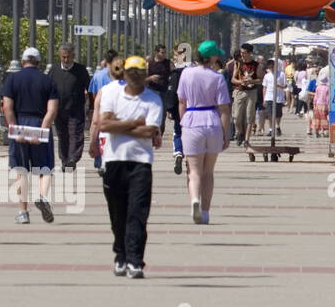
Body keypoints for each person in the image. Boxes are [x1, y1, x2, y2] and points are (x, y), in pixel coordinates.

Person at [98, 56, 163, 278]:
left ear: (145, 75)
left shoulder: (153, 100)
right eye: (131, 72)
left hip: (140, 163)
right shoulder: (111, 94)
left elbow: (150, 131)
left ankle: (135, 260)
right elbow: (104, 124)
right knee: (117, 215)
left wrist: (119, 126)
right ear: (124, 74)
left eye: (139, 73)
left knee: (137, 213)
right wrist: (135, 123)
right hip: (114, 161)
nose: (135, 77)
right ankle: (121, 256)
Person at [2, 47, 61, 223]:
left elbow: (7, 107)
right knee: (45, 168)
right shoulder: (48, 81)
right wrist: (42, 130)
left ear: (22, 62)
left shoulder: (12, 79)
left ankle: (23, 212)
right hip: (39, 123)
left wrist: (14, 129)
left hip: (20, 122)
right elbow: (52, 110)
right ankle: (42, 197)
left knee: (21, 170)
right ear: (39, 62)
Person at [178, 41, 232, 225]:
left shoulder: (186, 73)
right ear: (210, 57)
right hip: (212, 121)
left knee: (194, 171)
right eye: (216, 54)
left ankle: (194, 199)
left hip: (192, 119)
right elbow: (224, 108)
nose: (218, 57)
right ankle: (206, 211)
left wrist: (183, 123)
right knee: (208, 171)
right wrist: (226, 134)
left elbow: (181, 102)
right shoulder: (217, 78)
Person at [47, 41, 90, 170]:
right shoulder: (54, 70)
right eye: (63, 57)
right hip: (59, 109)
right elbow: (48, 88)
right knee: (62, 135)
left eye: (68, 57)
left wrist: (91, 106)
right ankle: (64, 160)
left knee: (75, 134)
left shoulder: (81, 70)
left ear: (73, 56)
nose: (66, 59)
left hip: (75, 109)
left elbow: (90, 89)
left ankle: (72, 159)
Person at [88, 56, 126, 174]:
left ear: (111, 73)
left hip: (107, 138)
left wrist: (93, 143)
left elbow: (95, 121)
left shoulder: (103, 91)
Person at [230, 44, 262, 146]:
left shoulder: (256, 65)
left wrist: (252, 80)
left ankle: (247, 140)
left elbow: (261, 79)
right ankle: (239, 132)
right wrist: (240, 81)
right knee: (237, 117)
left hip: (251, 92)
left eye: (244, 53)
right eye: (241, 52)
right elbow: (233, 79)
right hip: (239, 91)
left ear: (249, 53)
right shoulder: (238, 64)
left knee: (250, 116)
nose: (242, 55)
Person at [311, 64, 331, 139]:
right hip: (324, 104)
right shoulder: (327, 88)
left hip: (317, 104)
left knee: (317, 118)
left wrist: (314, 104)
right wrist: (328, 105)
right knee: (324, 118)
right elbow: (327, 98)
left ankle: (317, 132)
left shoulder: (318, 87)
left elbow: (315, 97)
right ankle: (324, 131)